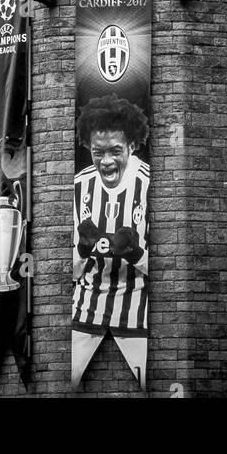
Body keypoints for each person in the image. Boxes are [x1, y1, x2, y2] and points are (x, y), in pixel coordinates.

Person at [71, 95, 150, 390]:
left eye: (115, 151)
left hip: (135, 308)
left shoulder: (149, 183)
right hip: (86, 308)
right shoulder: (79, 186)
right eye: (97, 152)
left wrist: (136, 253)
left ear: (131, 145)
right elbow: (69, 271)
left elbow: (171, 271)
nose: (106, 161)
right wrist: (80, 250)